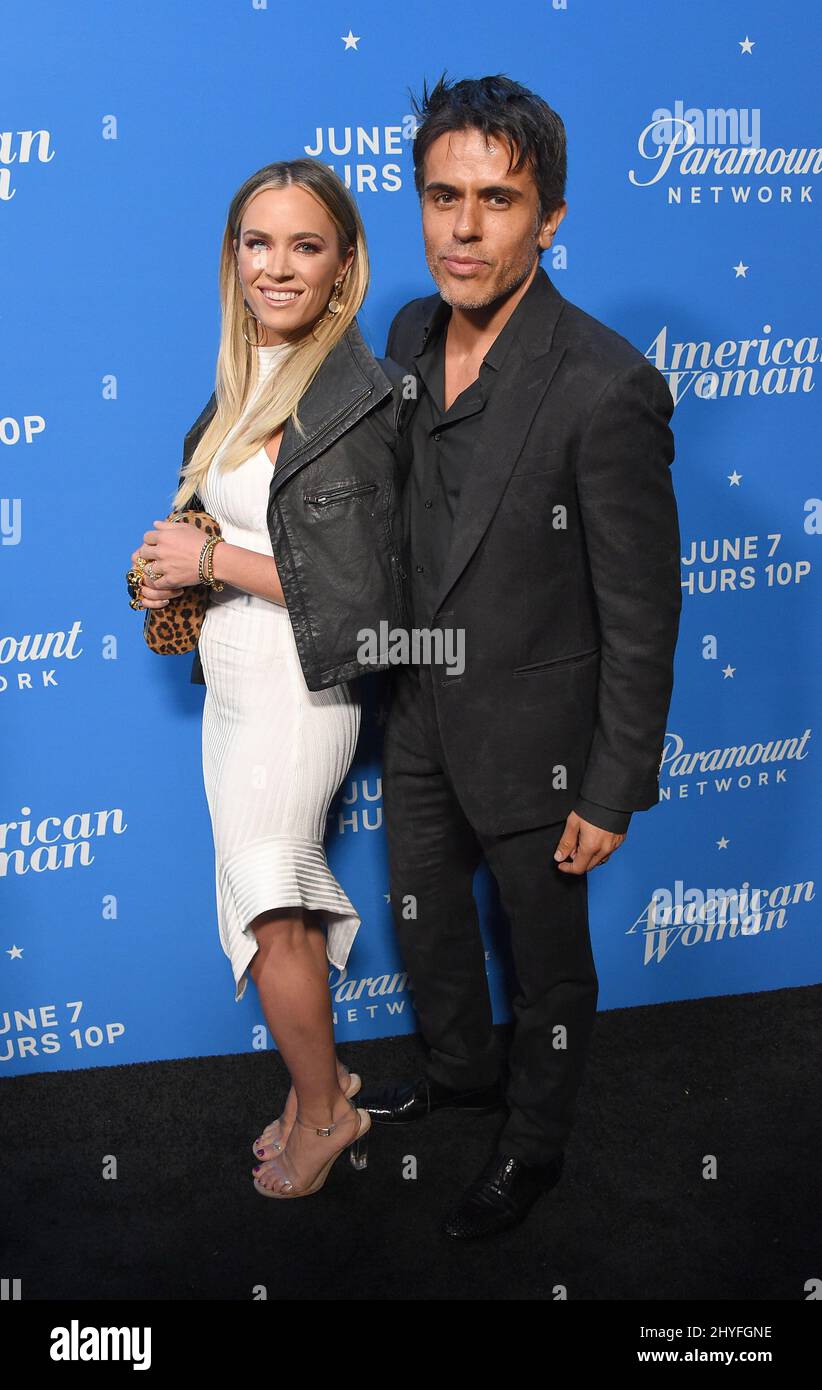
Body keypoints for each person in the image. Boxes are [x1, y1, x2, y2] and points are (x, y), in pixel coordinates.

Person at [357, 75, 683, 1238]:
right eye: (444, 196)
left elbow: (643, 611)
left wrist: (611, 785)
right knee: (428, 919)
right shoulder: (405, 329)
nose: (464, 226)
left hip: (540, 742)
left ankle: (532, 1144)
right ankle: (458, 1072)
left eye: (498, 200)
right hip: (418, 706)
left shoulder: (606, 385)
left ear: (548, 217)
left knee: (548, 965)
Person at [130, 160, 410, 1200]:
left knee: (268, 900)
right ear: (232, 257)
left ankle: (332, 1114)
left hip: (302, 688)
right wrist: (182, 553)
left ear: (344, 268)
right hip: (241, 674)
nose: (276, 266)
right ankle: (318, 1078)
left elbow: (367, 602)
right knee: (264, 892)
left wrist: (211, 563)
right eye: (258, 242)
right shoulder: (253, 369)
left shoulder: (354, 396)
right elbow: (257, 519)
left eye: (305, 245)